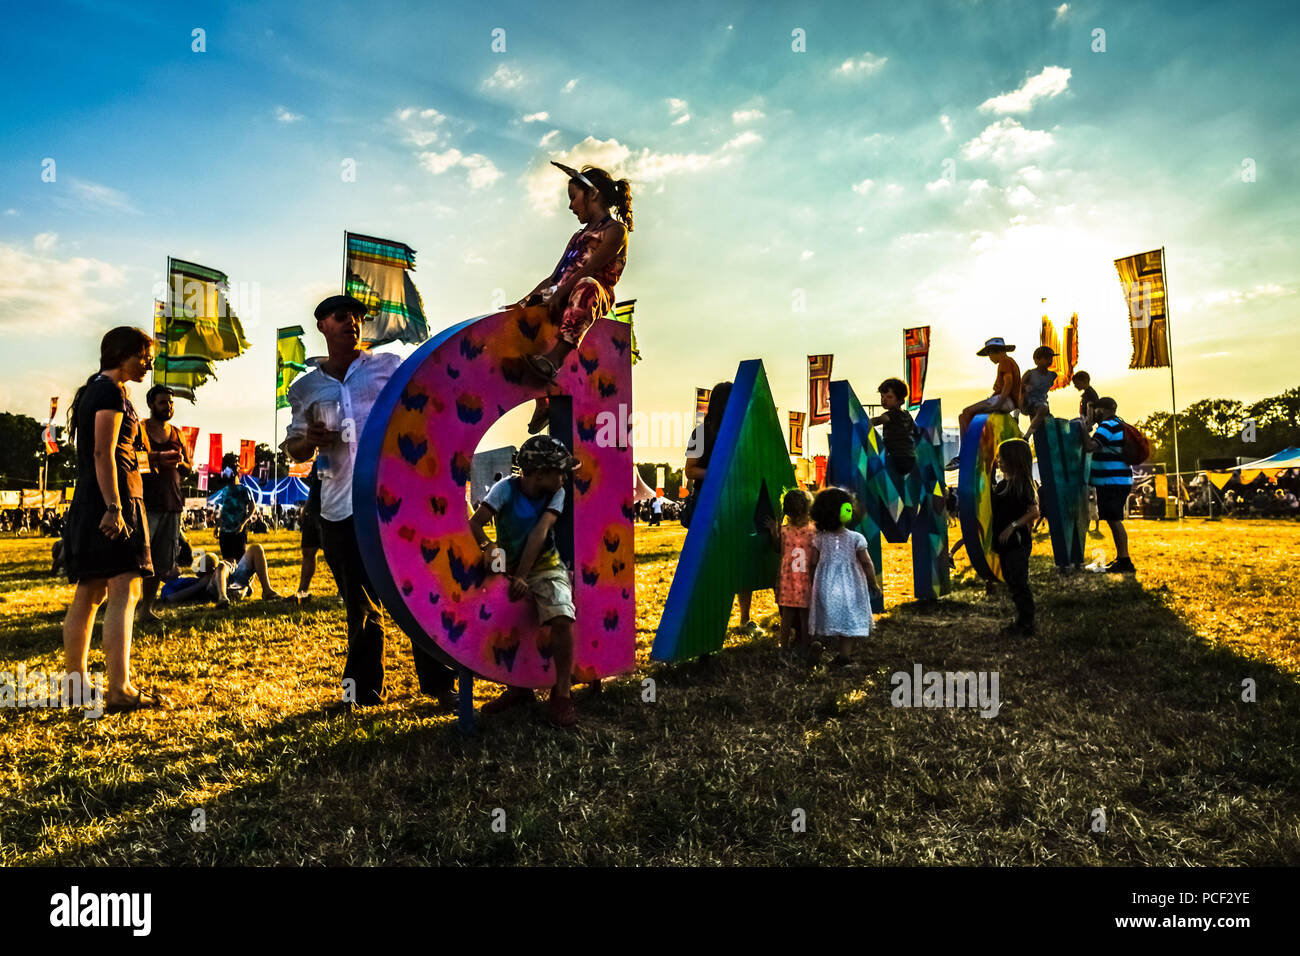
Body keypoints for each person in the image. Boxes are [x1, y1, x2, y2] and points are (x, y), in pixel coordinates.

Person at [284, 294, 457, 710]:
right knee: (359, 605)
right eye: (342, 318)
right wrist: (309, 439)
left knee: (416, 593)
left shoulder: (389, 366)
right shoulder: (305, 387)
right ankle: (360, 693)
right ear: (323, 325)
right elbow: (294, 447)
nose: (353, 324)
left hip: (394, 503)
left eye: (358, 319)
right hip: (337, 503)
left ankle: (440, 685)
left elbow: (423, 408)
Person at [60, 326, 166, 712]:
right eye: (145, 355)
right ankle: (119, 689)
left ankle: (76, 686)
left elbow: (115, 452)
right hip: (111, 502)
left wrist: (152, 461)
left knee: (89, 593)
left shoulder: (97, 390)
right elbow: (103, 454)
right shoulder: (110, 392)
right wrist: (115, 508)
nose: (148, 363)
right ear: (125, 354)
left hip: (97, 499)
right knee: (125, 590)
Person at [468, 435, 581, 728]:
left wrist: (522, 575)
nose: (563, 477)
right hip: (510, 569)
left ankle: (563, 692)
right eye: (559, 471)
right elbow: (476, 523)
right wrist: (487, 545)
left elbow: (539, 532)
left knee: (561, 616)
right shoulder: (504, 488)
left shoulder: (557, 492)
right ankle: (518, 689)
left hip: (544, 566)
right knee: (506, 623)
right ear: (538, 474)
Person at [518, 162, 633, 434]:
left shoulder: (615, 231)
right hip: (564, 291)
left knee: (585, 284)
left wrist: (563, 291)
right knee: (528, 313)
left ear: (592, 194)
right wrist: (524, 302)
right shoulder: (576, 237)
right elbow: (554, 276)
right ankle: (543, 397)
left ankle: (556, 357)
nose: (570, 206)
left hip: (592, 295)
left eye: (573, 197)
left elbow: (591, 268)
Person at [685, 382, 763, 637]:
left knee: (740, 558)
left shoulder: (742, 431)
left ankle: (745, 618)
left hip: (737, 502)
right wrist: (719, 474)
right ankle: (708, 619)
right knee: (712, 562)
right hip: (710, 503)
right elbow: (690, 469)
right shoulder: (700, 433)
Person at [138, 385, 193, 623]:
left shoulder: (178, 433)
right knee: (138, 560)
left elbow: (189, 468)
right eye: (163, 403)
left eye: (170, 403)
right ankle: (126, 606)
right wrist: (156, 458)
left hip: (172, 503)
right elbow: (132, 460)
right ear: (151, 404)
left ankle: (146, 609)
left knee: (160, 563)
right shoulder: (140, 429)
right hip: (146, 503)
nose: (168, 407)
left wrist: (180, 463)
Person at [807, 488, 881, 667]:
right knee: (847, 621)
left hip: (826, 583)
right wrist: (873, 582)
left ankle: (819, 643)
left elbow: (813, 562)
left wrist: (813, 582)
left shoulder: (819, 538)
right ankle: (844, 657)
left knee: (827, 616)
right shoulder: (856, 538)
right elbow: (866, 563)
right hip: (850, 586)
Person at [990, 438, 1039, 635]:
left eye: (1001, 457)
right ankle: (1022, 620)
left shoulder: (1022, 485)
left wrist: (1012, 526)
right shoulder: (1004, 484)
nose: (998, 460)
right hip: (1005, 544)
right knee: (1011, 580)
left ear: (1013, 459)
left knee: (1019, 582)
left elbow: (1034, 511)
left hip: (1017, 543)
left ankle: (1027, 623)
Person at [1084, 397, 1135, 573]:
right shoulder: (1117, 423)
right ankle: (1122, 558)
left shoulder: (1107, 426)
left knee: (1114, 520)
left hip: (1112, 481)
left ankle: (1125, 560)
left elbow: (1091, 446)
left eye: (1094, 410)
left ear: (1101, 410)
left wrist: (1084, 427)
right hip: (1117, 480)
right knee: (1114, 520)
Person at [763, 488, 815, 652]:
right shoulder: (814, 531)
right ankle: (805, 645)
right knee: (804, 615)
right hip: (806, 580)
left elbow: (777, 548)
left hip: (788, 581)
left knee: (787, 615)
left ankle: (783, 646)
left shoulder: (784, 531)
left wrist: (773, 531)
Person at [160, 545, 281, 605]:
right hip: (213, 587)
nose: (176, 565)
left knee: (256, 549)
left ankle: (267, 591)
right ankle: (224, 597)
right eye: (171, 566)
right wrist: (201, 583)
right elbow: (171, 599)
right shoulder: (169, 586)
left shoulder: (186, 578)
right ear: (164, 575)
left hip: (226, 577)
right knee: (221, 565)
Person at [958, 338, 1021, 436]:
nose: (990, 358)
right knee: (972, 415)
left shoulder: (1005, 362)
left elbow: (1008, 383)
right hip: (1010, 401)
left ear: (993, 352)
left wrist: (999, 403)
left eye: (989, 355)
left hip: (1005, 400)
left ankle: (966, 446)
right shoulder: (1010, 361)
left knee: (966, 413)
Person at [289, 461, 322, 604]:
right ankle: (303, 591)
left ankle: (343, 591)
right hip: (314, 508)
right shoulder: (318, 461)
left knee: (337, 553)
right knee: (308, 550)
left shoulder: (344, 452)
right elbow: (315, 487)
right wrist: (307, 507)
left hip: (333, 506)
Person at [871, 378, 918, 478]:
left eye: (889, 397)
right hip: (910, 457)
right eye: (882, 396)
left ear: (900, 400)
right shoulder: (907, 415)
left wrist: (864, 422)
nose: (883, 400)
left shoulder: (890, 415)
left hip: (896, 457)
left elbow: (880, 420)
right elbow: (915, 431)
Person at [217, 464, 255, 562]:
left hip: (238, 530)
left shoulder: (244, 490)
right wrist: (218, 526)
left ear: (237, 475)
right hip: (224, 531)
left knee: (240, 560)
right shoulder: (225, 490)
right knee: (226, 560)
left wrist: (243, 523)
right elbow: (223, 509)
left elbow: (252, 507)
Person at [1020, 346, 1058, 441]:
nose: (1049, 360)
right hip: (1030, 403)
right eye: (1046, 358)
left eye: (1051, 358)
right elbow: (1019, 390)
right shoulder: (1030, 374)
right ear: (1036, 360)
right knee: (1043, 409)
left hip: (1042, 403)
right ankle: (1026, 437)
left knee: (1047, 425)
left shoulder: (1052, 375)